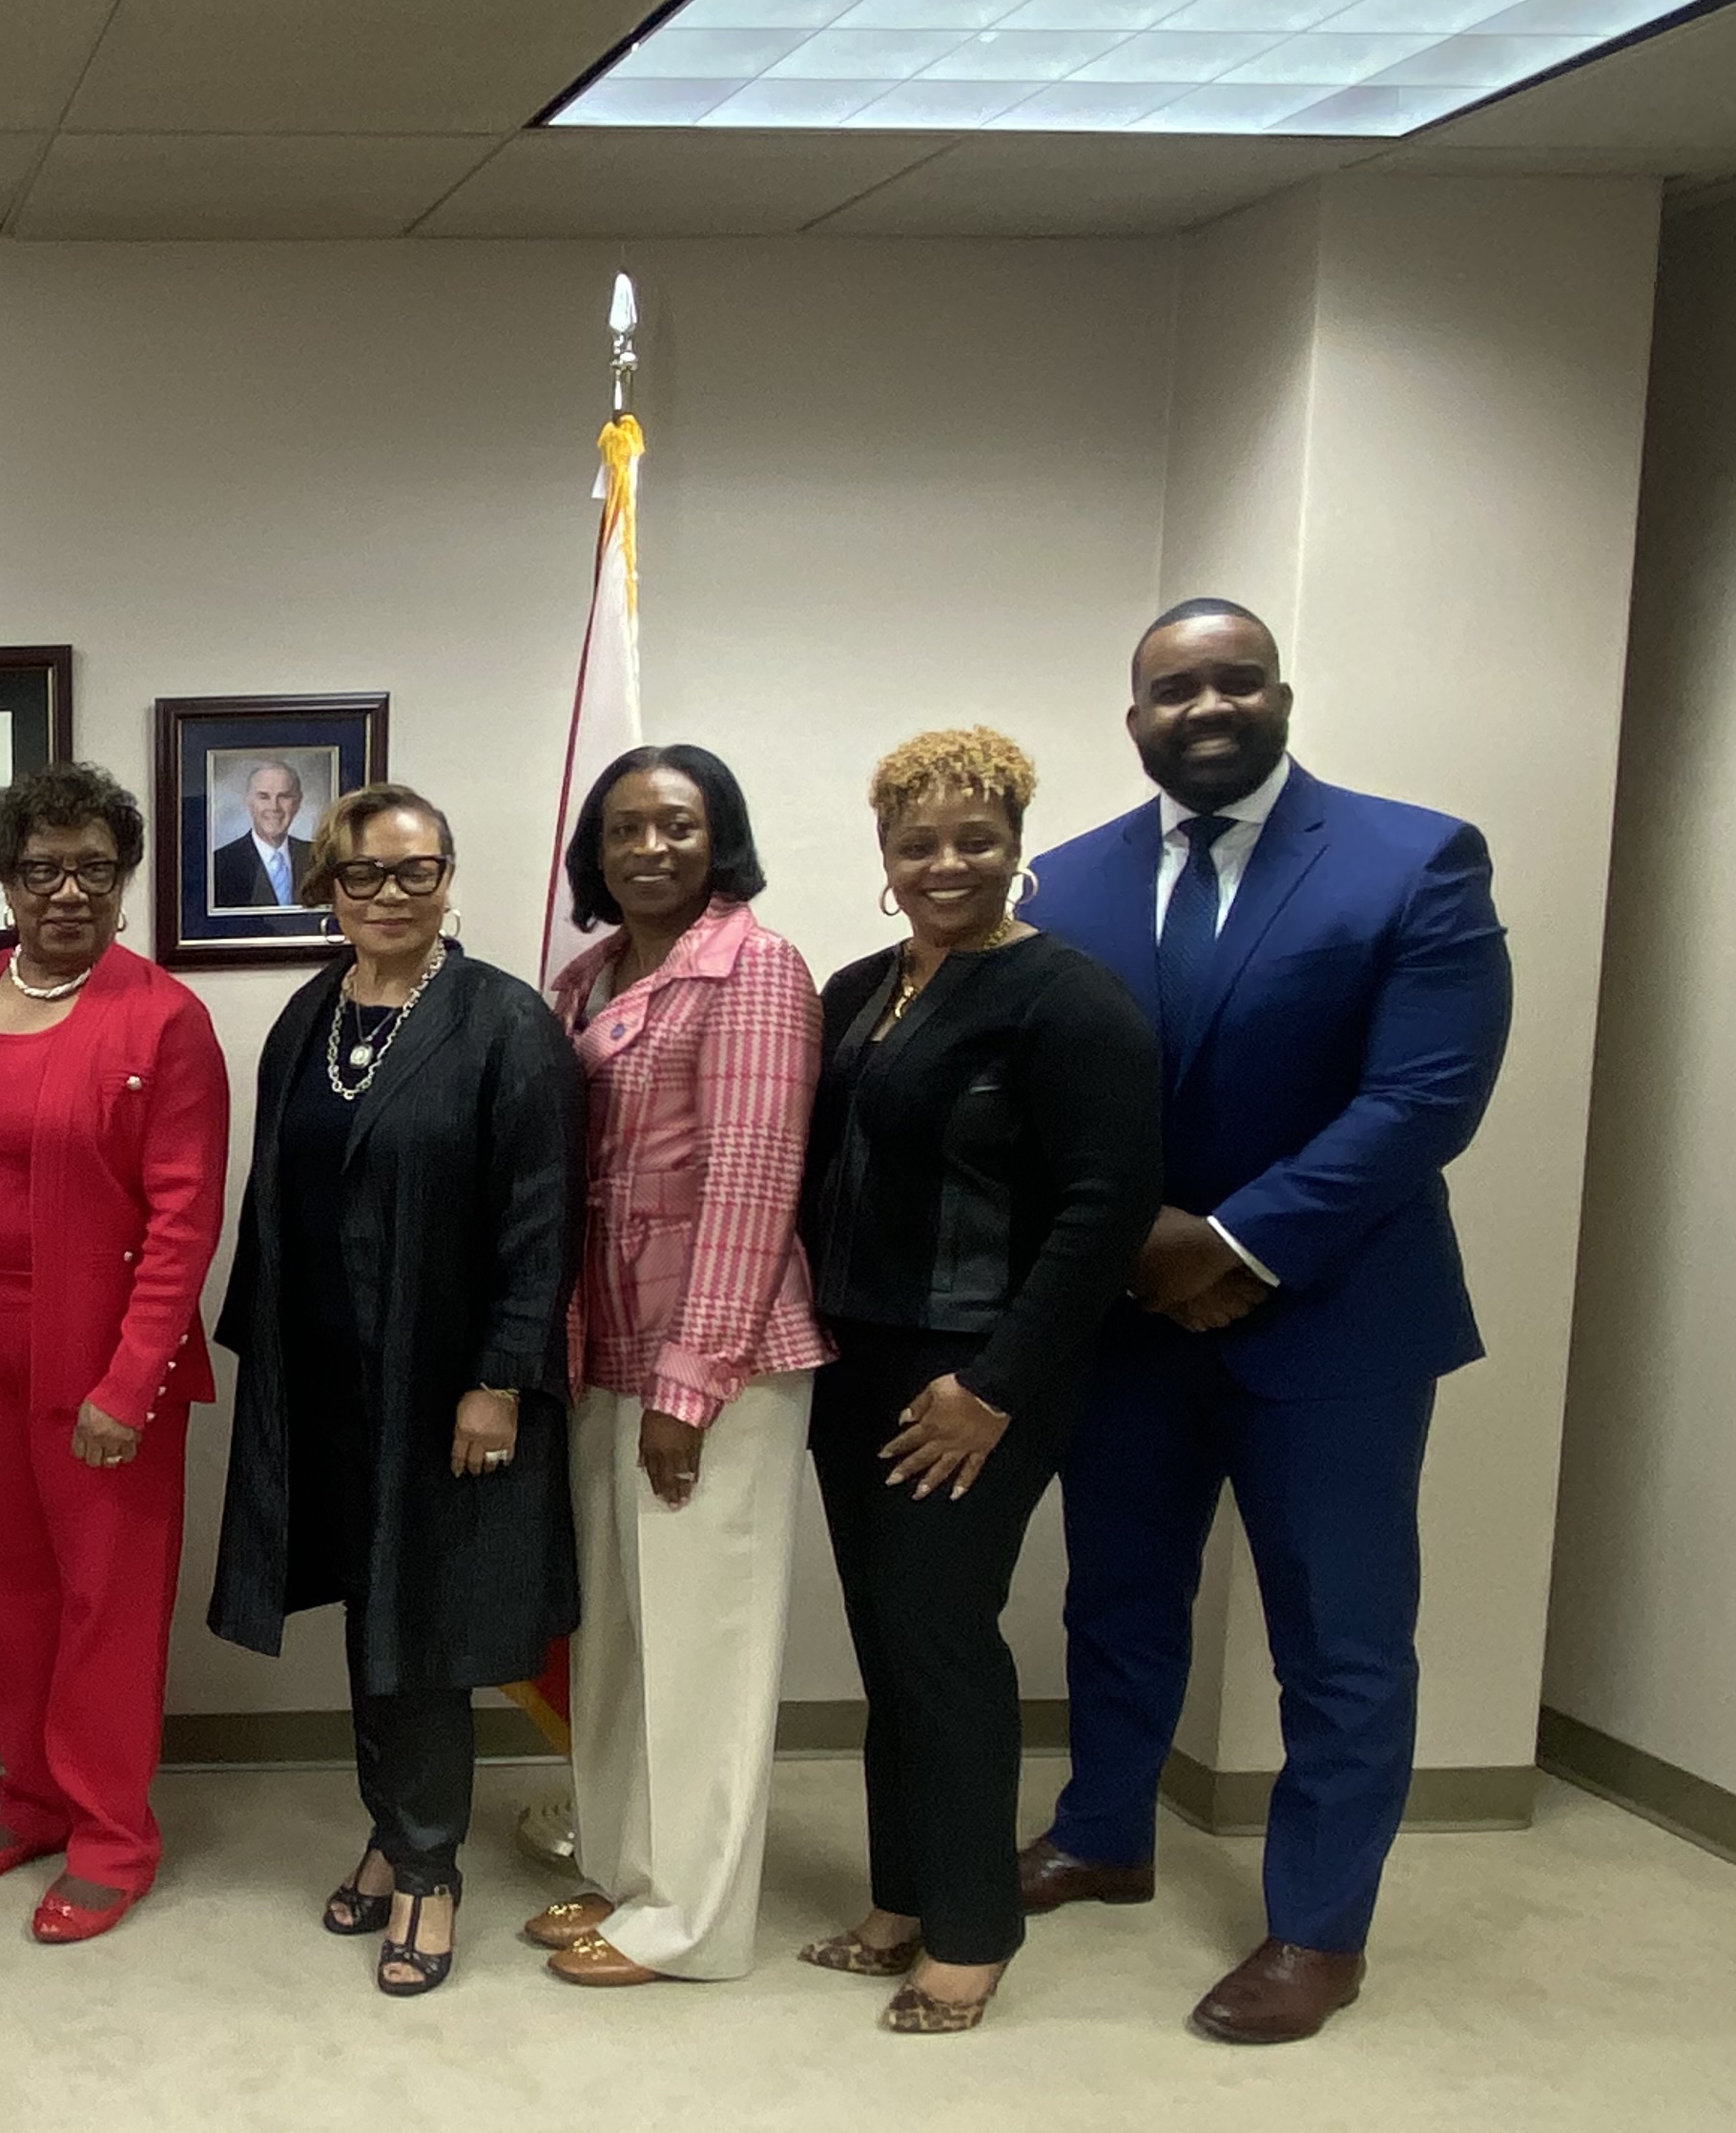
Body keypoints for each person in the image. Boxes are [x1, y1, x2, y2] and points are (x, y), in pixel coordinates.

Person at [1021, 600, 1513, 2043]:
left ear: (1281, 696)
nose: (1209, 707)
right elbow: (1045, 1104)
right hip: (1128, 1324)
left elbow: (1426, 1097)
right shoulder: (1063, 882)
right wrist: (1136, 1251)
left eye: (1237, 681)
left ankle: (1318, 1927)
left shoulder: (1413, 857)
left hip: (1340, 1325)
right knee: (1115, 1598)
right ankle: (1105, 1830)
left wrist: (1236, 1240)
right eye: (1176, 689)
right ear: (1136, 720)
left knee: (1340, 1637)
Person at [796, 727, 1157, 2034]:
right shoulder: (852, 991)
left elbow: (1105, 1213)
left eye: (975, 838)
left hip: (979, 1375)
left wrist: (994, 1384)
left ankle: (970, 1927)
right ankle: (901, 1896)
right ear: (885, 858)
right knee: (888, 1639)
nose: (946, 863)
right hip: (855, 1361)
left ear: (1016, 845)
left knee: (943, 1640)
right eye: (917, 843)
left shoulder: (1070, 1001)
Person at [210, 786, 578, 1995]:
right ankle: (390, 1824)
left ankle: (429, 1871)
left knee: (419, 1630)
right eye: (359, 877)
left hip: (440, 1385)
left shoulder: (504, 1022)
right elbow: (274, 1193)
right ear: (328, 890)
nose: (385, 897)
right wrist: (259, 1358)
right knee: (368, 1620)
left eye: (411, 874)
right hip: (323, 1379)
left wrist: (500, 1382)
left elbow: (540, 1221)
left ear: (448, 881)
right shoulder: (308, 1015)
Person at [0, 764, 229, 1943]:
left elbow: (185, 1217)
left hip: (103, 1368)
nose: (68, 891)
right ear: (2, 879)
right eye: (41, 869)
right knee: (5, 1592)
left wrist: (129, 1384)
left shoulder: (164, 1019)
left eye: (96, 867)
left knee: (107, 1606)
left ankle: (111, 1834)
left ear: (124, 878)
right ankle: (31, 1800)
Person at [527, 746, 828, 1988]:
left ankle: (691, 1921)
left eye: (678, 825)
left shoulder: (756, 971)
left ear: (722, 838)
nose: (649, 847)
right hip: (605, 1352)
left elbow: (753, 1188)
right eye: (625, 828)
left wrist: (691, 1387)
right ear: (594, 852)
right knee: (621, 1642)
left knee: (701, 1643)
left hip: (719, 1369)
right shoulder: (588, 976)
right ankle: (621, 1869)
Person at [210, 759, 315, 911]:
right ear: (249, 801)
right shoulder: (219, 864)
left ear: (297, 802)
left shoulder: (318, 858)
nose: (274, 807)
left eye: (284, 796)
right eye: (264, 797)